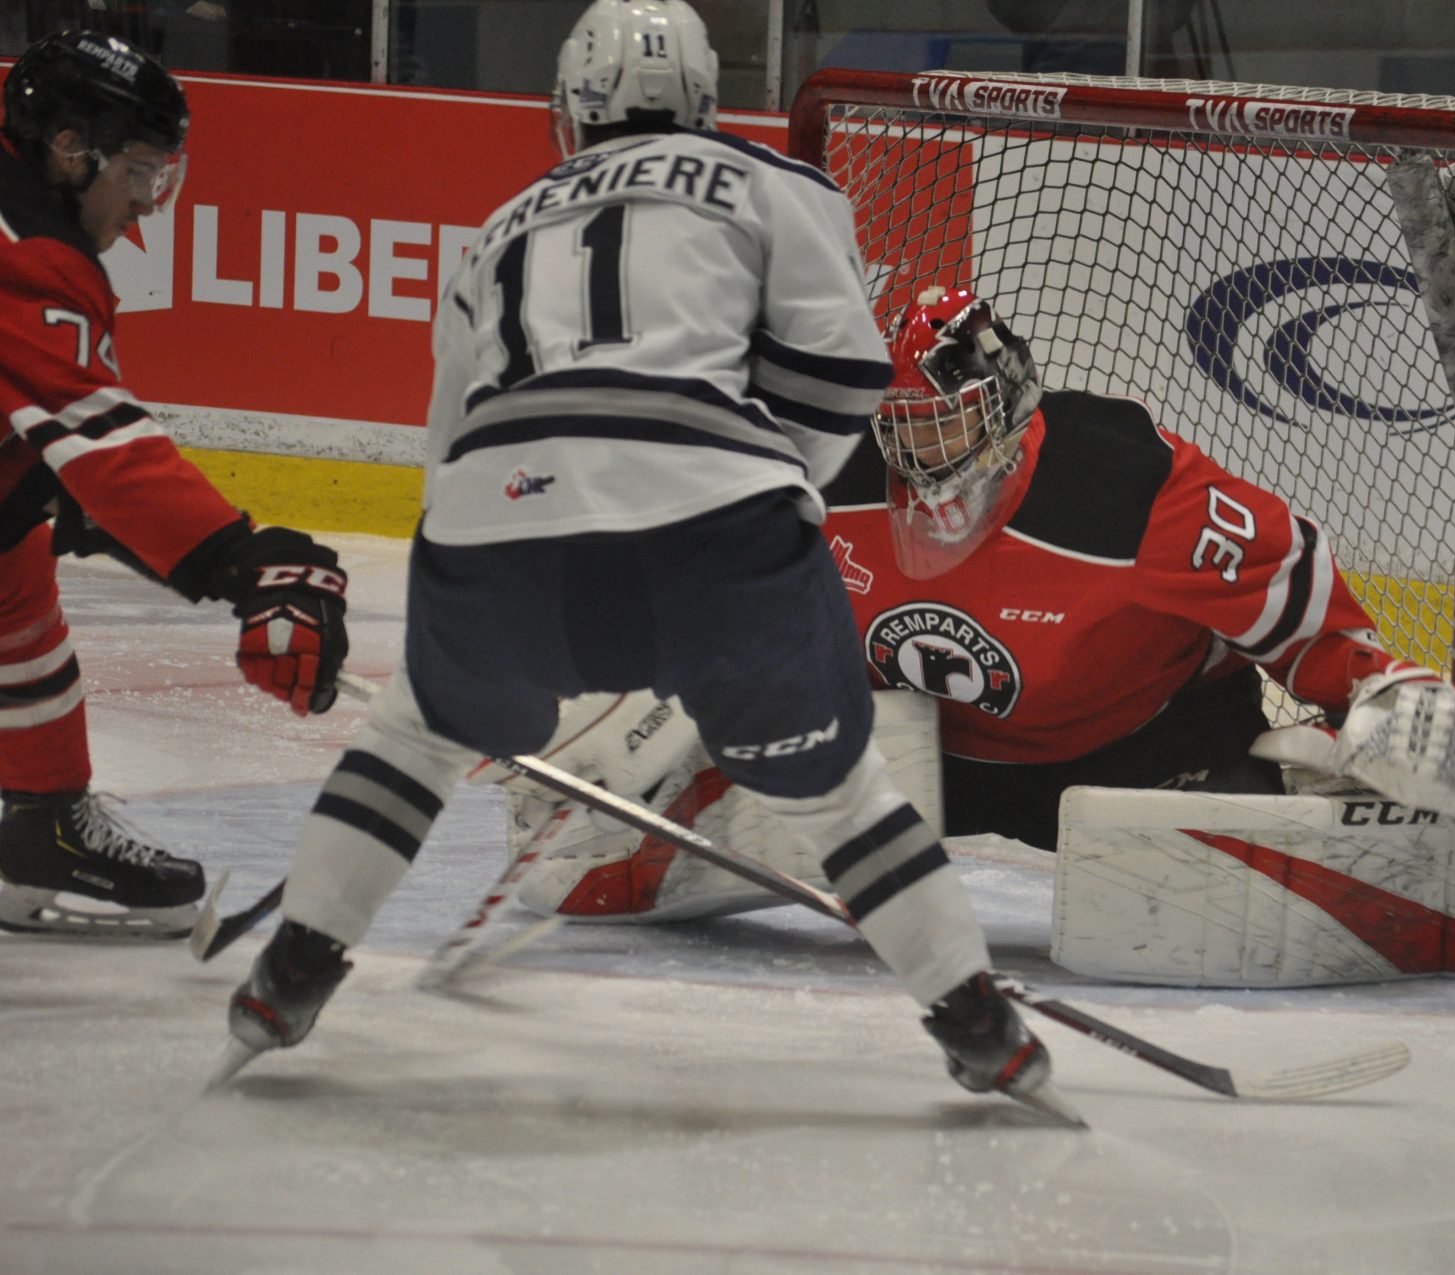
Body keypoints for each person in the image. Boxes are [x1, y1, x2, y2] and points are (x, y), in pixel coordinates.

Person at [220, 0, 1059, 1111]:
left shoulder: (495, 229)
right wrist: (758, 494)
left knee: (415, 734)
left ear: (567, 113)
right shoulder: (776, 184)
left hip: (495, 526)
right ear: (707, 103)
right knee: (837, 789)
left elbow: (451, 449)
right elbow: (844, 375)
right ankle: (979, 1025)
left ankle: (290, 973)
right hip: (721, 528)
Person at [520, 282, 1455, 923]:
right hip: (906, 750)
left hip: (1135, 753)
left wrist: (1379, 690)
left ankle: (1300, 804)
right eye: (897, 426)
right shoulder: (817, 471)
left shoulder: (1121, 484)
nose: (921, 452)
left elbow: (1301, 606)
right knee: (583, 882)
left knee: (1225, 910)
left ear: (1003, 395)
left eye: (944, 422)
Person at [0, 30, 349, 939]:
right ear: (72, 148)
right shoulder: (29, 254)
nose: (147, 206)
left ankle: (44, 828)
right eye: (142, 171)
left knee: (11, 568)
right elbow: (101, 440)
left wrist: (48, 482)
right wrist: (248, 563)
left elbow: (55, 429)